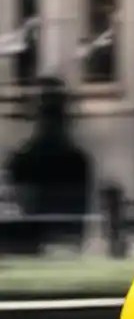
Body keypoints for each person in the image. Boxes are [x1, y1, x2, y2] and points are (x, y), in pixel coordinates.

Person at [3, 76, 91, 252]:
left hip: (38, 238)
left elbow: (24, 208)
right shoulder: (77, 160)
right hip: (54, 238)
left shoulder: (23, 160)